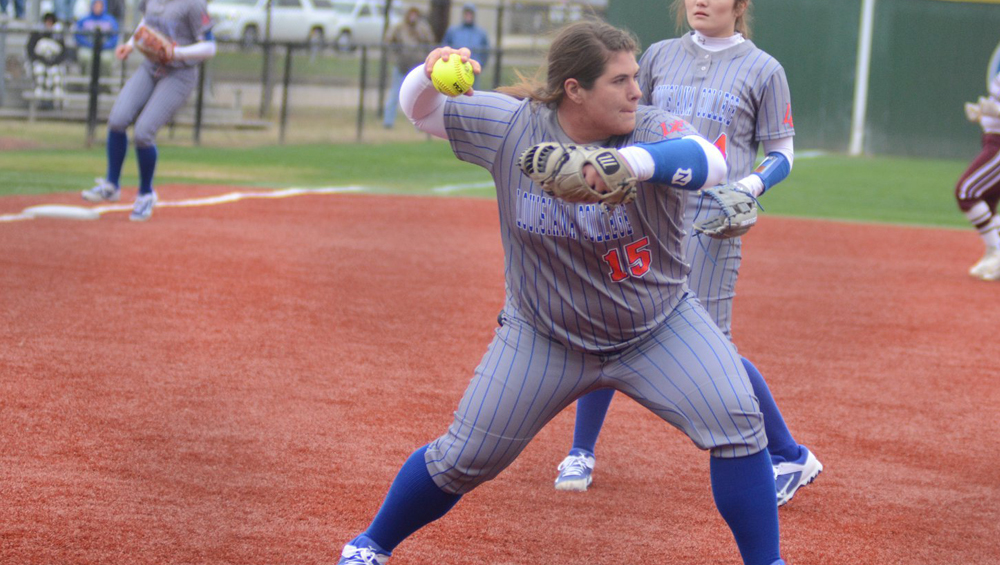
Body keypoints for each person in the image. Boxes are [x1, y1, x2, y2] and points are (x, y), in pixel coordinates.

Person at [336, 20, 788, 565]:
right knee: (462, 459)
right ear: (575, 88)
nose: (637, 91)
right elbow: (421, 110)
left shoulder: (648, 128)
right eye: (620, 81)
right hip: (543, 336)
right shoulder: (513, 127)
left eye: (636, 77)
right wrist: (427, 71)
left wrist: (627, 164)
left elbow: (710, 160)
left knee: (737, 420)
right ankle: (370, 546)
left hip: (658, 327)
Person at [552, 0, 822, 507]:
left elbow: (782, 151)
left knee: (712, 349)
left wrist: (752, 186)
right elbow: (627, 119)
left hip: (713, 221)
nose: (699, 1)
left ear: (740, 5)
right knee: (611, 320)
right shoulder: (655, 57)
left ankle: (788, 454)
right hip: (646, 214)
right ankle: (581, 451)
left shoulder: (764, 69)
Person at [80, 0, 216, 221]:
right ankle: (111, 185)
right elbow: (147, 23)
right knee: (117, 120)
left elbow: (210, 47)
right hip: (151, 66)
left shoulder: (192, 4)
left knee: (143, 132)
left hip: (180, 74)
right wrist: (131, 44)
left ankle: (145, 195)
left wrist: (176, 53)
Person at [957, 71, 1000, 281]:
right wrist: (982, 116)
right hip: (992, 139)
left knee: (967, 191)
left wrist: (997, 112)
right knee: (987, 201)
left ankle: (996, 250)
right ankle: (994, 253)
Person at [382, 6, 435, 129]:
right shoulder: (398, 27)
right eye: (411, 14)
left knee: (419, 97)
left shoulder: (423, 28)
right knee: (395, 94)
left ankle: (420, 125)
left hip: (417, 68)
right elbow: (388, 42)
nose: (413, 17)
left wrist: (424, 59)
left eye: (415, 14)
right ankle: (388, 122)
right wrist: (395, 58)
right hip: (401, 65)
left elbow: (430, 43)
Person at [26, 13, 68, 108]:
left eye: (51, 22)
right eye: (47, 21)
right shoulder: (37, 33)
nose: (48, 24)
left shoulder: (58, 34)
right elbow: (31, 50)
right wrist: (42, 60)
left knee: (56, 74)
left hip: (54, 63)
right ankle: (38, 103)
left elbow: (63, 52)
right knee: (39, 72)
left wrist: (53, 62)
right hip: (40, 62)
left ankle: (57, 104)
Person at [74, 0, 120, 77]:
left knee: (106, 59)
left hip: (105, 48)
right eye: (96, 5)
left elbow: (114, 38)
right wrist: (88, 44)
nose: (97, 8)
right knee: (85, 57)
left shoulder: (110, 20)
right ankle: (86, 82)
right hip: (88, 47)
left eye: (99, 5)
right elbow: (77, 35)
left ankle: (105, 84)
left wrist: (104, 45)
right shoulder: (84, 20)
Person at [441, 3, 489, 75]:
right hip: (454, 68)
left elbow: (486, 51)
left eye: (470, 13)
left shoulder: (481, 33)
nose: (468, 15)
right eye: (466, 13)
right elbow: (445, 46)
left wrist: (480, 64)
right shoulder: (453, 31)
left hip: (473, 69)